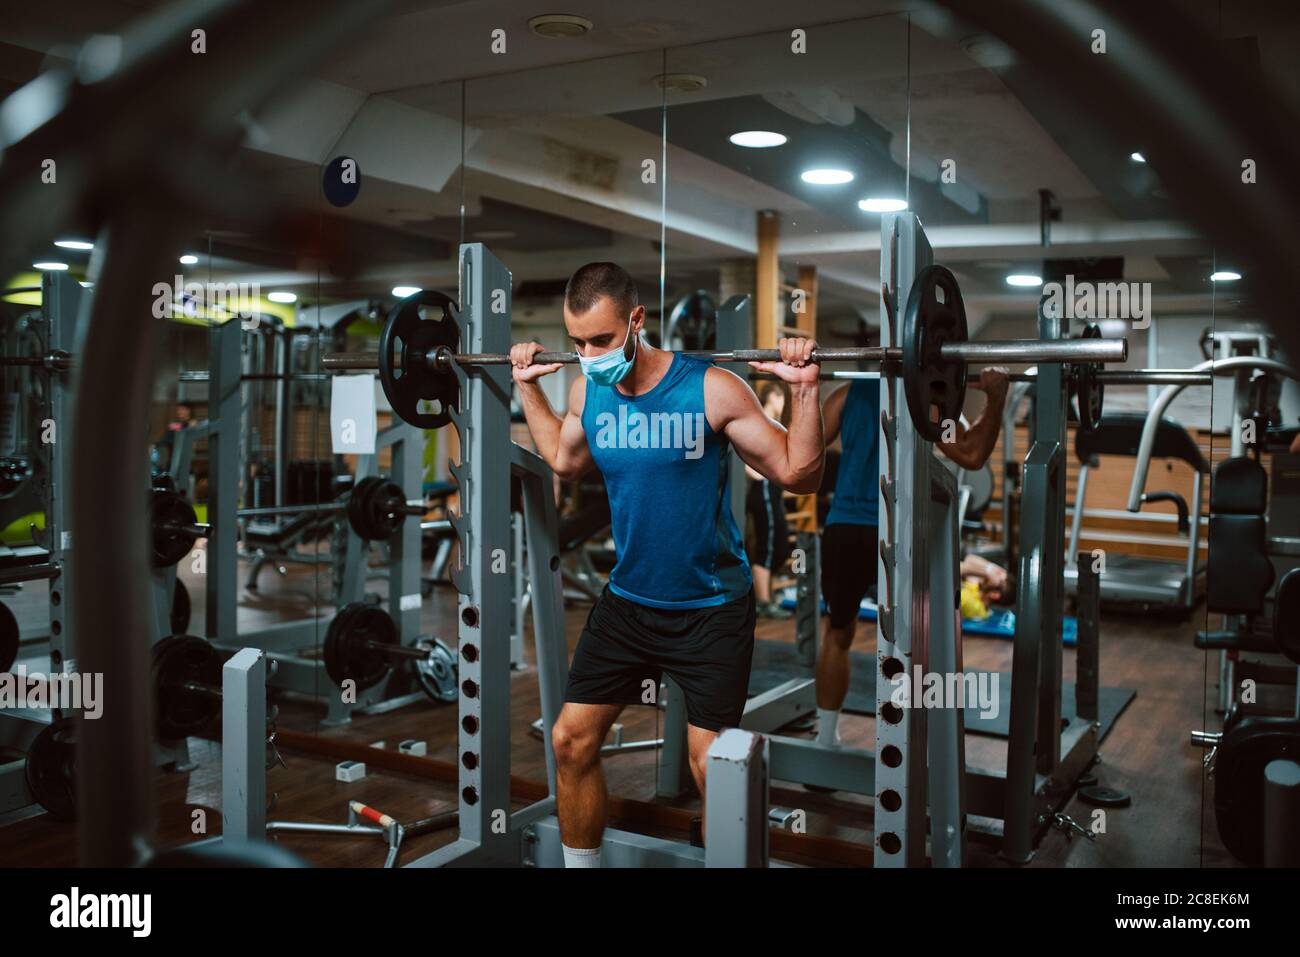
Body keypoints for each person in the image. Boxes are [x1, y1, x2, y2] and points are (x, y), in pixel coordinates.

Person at [509, 262, 824, 867]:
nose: (589, 355)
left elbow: (800, 474)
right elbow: (564, 459)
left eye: (601, 340)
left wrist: (806, 389)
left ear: (636, 321)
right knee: (570, 742)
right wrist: (528, 387)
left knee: (714, 768)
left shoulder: (713, 388)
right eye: (576, 343)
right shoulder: (587, 389)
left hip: (710, 610)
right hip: (628, 603)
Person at [814, 367, 1010, 749]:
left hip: (845, 530)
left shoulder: (846, 394)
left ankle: (826, 740)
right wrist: (996, 396)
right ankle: (903, 750)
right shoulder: (931, 402)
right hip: (899, 530)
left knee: (838, 633)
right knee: (908, 637)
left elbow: (805, 450)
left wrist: (799, 393)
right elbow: (971, 454)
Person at [744, 382, 793, 619]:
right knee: (769, 545)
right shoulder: (760, 419)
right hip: (762, 489)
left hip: (770, 490)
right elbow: (748, 463)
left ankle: (764, 596)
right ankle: (763, 601)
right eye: (782, 397)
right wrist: (770, 474)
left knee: (780, 546)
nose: (784, 403)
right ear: (773, 396)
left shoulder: (773, 423)